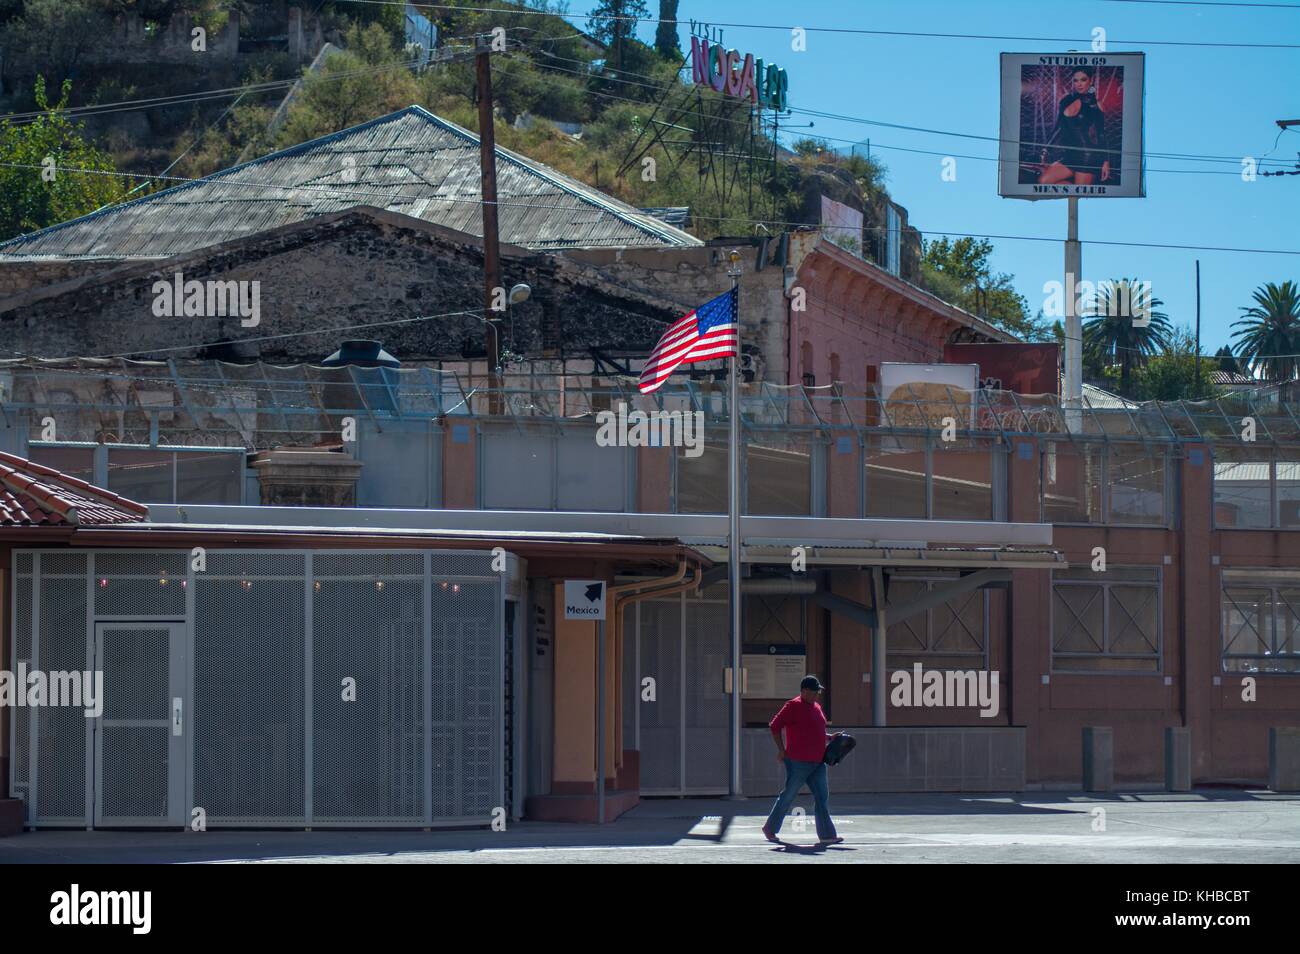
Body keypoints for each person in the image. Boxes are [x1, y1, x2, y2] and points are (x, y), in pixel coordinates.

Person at [762, 675, 844, 846]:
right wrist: (781, 750)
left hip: (818, 761)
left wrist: (829, 738)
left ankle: (827, 835)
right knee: (789, 795)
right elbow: (774, 726)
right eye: (814, 692)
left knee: (822, 797)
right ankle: (770, 829)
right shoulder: (792, 706)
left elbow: (815, 731)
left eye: (818, 692)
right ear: (804, 691)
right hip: (798, 761)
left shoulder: (816, 707)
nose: (817, 695)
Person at [1036, 68, 1113, 186]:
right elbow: (1058, 127)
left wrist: (1106, 161)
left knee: (1079, 194)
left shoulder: (1096, 104)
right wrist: (1046, 149)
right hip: (1070, 155)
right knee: (1044, 181)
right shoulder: (1066, 100)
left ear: (1091, 81)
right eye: (1076, 80)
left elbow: (1101, 134)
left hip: (1088, 157)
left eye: (1083, 80)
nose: (1079, 84)